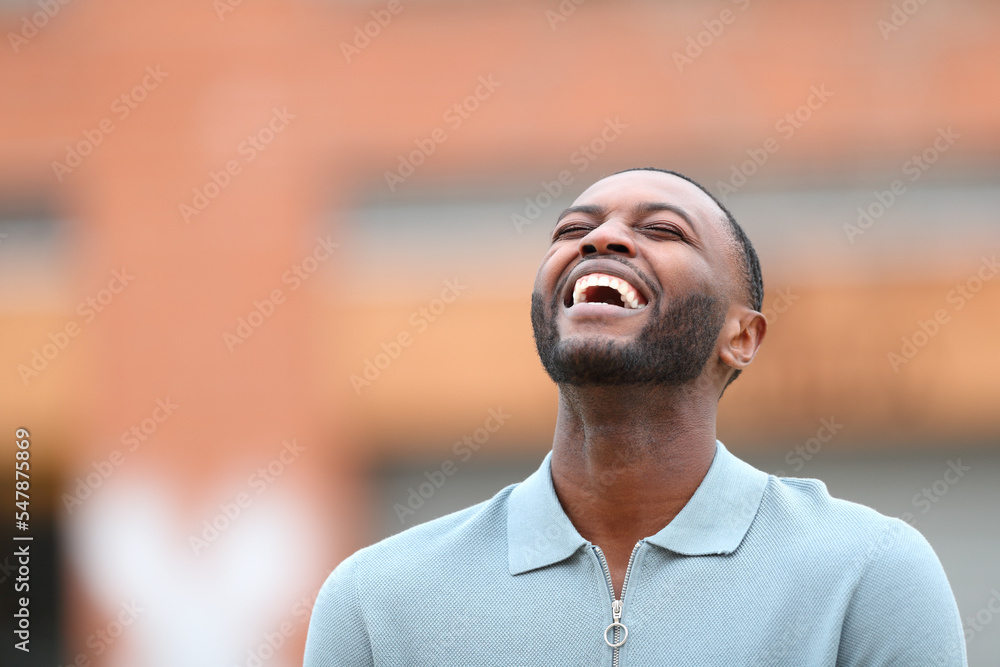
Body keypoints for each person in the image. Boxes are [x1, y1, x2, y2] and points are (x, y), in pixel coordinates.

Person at [303, 168, 967, 666]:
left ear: (743, 336)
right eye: (571, 230)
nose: (602, 238)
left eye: (662, 230)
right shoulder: (376, 602)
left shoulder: (868, 573)